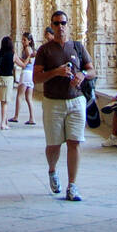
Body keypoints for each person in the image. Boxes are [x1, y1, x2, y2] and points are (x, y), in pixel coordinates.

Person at [33, 11, 95, 202]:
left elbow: (92, 70)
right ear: (51, 25)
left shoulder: (77, 47)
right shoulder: (45, 50)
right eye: (56, 23)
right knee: (54, 145)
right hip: (53, 102)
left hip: (76, 101)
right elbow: (36, 78)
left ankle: (72, 185)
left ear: (68, 25)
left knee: (74, 142)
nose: (60, 26)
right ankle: (52, 170)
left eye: (63, 23)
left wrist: (82, 75)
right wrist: (55, 72)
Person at [11, 33, 36, 124]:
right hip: (31, 74)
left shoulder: (27, 49)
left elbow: (27, 61)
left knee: (19, 95)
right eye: (22, 39)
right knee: (29, 98)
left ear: (29, 41)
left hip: (26, 73)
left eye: (24, 40)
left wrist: (17, 58)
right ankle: (32, 118)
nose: (22, 41)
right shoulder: (31, 49)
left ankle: (16, 116)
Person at [0, 35, 15, 128]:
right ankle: (3, 123)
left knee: (3, 101)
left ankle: (5, 121)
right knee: (5, 102)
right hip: (7, 79)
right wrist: (29, 57)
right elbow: (22, 64)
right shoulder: (13, 54)